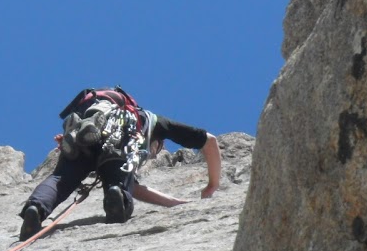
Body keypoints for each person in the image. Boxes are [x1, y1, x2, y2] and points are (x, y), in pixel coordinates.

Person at [18, 87, 222, 239]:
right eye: (156, 150)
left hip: (81, 132)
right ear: (157, 144)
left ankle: (35, 208)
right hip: (123, 133)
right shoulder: (151, 120)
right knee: (119, 170)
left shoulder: (92, 108)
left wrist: (175, 203)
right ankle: (116, 197)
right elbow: (209, 140)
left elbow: (136, 187)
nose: (152, 154)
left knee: (61, 178)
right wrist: (212, 185)